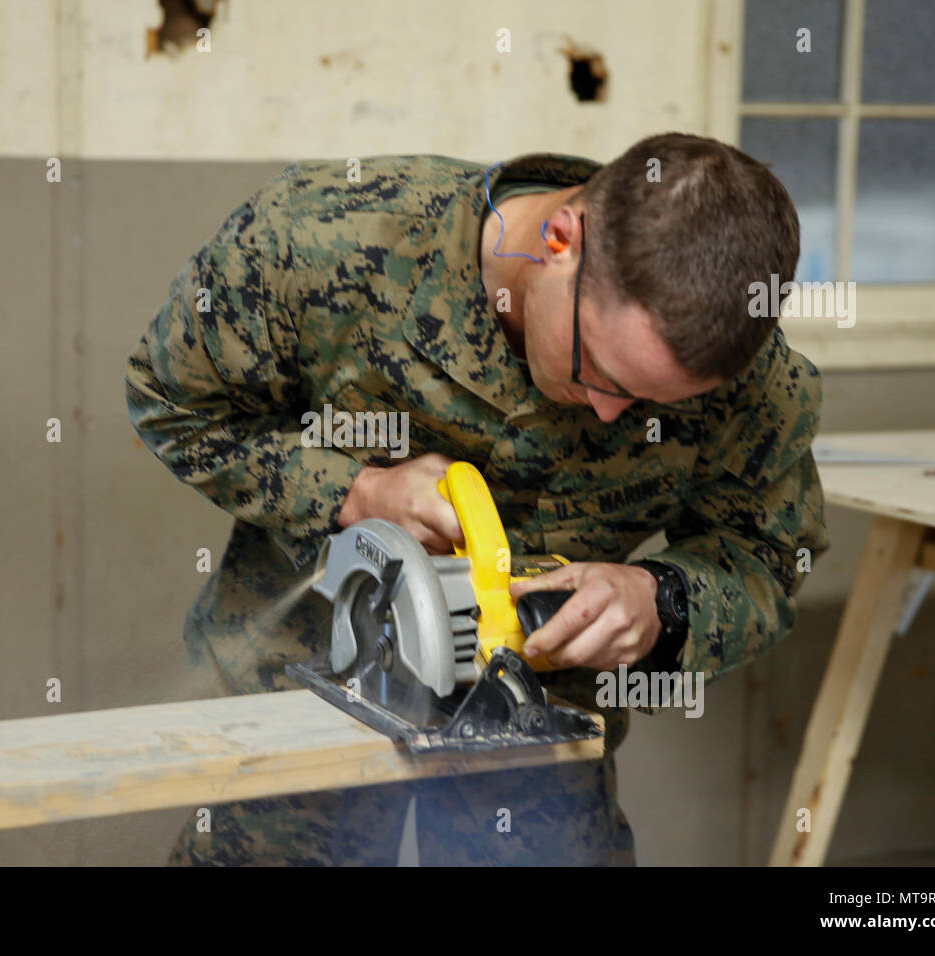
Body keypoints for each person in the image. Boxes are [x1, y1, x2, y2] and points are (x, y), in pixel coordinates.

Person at [127, 133, 830, 865]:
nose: (612, 414)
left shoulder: (752, 383)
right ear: (563, 240)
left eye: (656, 402)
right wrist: (354, 492)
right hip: (306, 692)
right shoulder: (323, 238)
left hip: (535, 734)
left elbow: (767, 554)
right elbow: (171, 402)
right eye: (606, 376)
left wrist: (663, 601)